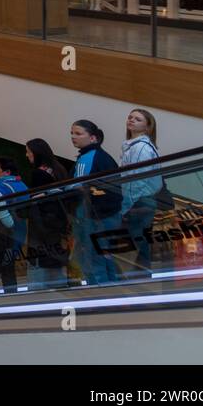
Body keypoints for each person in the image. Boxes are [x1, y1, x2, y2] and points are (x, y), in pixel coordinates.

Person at [69, 119, 122, 285]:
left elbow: (81, 187)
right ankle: (110, 292)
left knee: (93, 258)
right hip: (96, 216)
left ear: (93, 138)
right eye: (72, 133)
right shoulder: (90, 157)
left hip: (95, 217)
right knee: (102, 257)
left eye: (78, 133)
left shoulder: (92, 158)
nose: (73, 137)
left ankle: (100, 296)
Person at [119, 108, 163, 276]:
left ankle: (136, 285)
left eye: (137, 119)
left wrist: (126, 207)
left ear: (147, 127)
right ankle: (141, 285)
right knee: (141, 247)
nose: (131, 120)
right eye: (130, 117)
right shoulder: (133, 147)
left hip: (138, 202)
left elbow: (136, 182)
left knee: (135, 249)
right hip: (142, 201)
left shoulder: (140, 149)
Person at [23, 137, 71, 290]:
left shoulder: (39, 174)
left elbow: (37, 201)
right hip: (59, 224)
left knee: (38, 263)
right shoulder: (58, 168)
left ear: (37, 153)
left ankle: (37, 298)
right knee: (56, 261)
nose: (27, 155)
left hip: (43, 226)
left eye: (29, 152)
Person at [0, 157, 28, 292]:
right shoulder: (21, 184)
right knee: (9, 268)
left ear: (6, 172)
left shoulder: (0, 186)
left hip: (4, 234)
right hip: (20, 232)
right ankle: (12, 295)